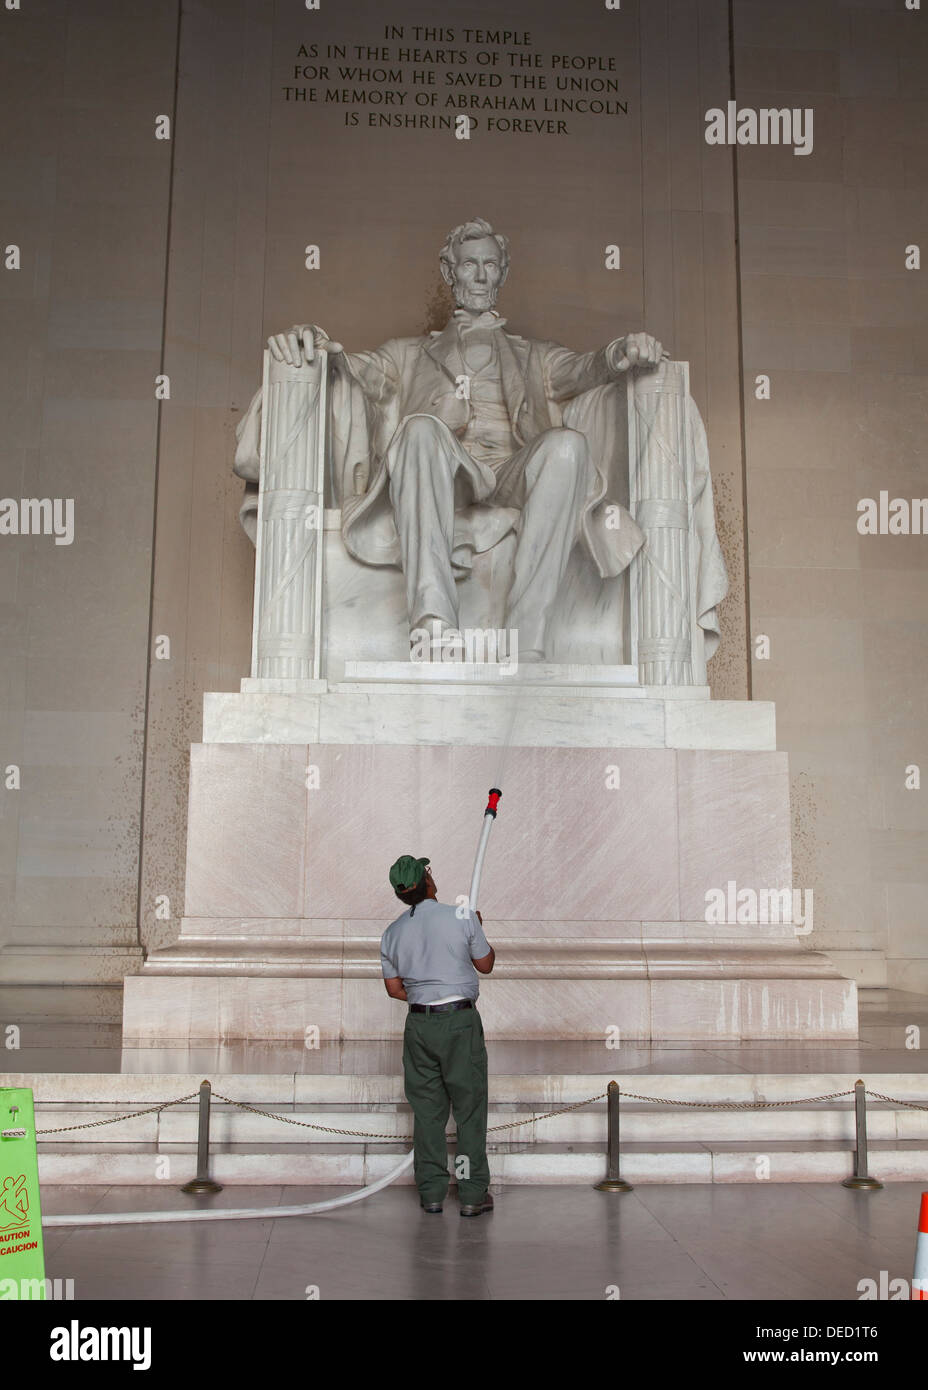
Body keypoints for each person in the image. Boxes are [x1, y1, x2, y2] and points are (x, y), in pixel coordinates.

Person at [249, 217, 666, 659]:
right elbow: (349, 366)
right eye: (470, 265)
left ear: (502, 273)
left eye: (491, 265)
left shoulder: (536, 356)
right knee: (420, 428)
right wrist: (312, 343)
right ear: (451, 273)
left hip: (512, 472)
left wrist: (619, 352)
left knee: (567, 445)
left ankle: (527, 642)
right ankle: (433, 626)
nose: (482, 275)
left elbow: (587, 368)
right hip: (446, 473)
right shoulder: (406, 354)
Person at [381, 854, 496, 1216]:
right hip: (458, 1022)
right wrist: (477, 930)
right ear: (427, 880)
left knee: (428, 1113)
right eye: (428, 870)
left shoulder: (392, 932)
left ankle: (431, 1192)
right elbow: (486, 964)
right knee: (468, 1110)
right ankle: (471, 1194)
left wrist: (423, 994)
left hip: (419, 1025)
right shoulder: (461, 917)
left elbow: (394, 989)